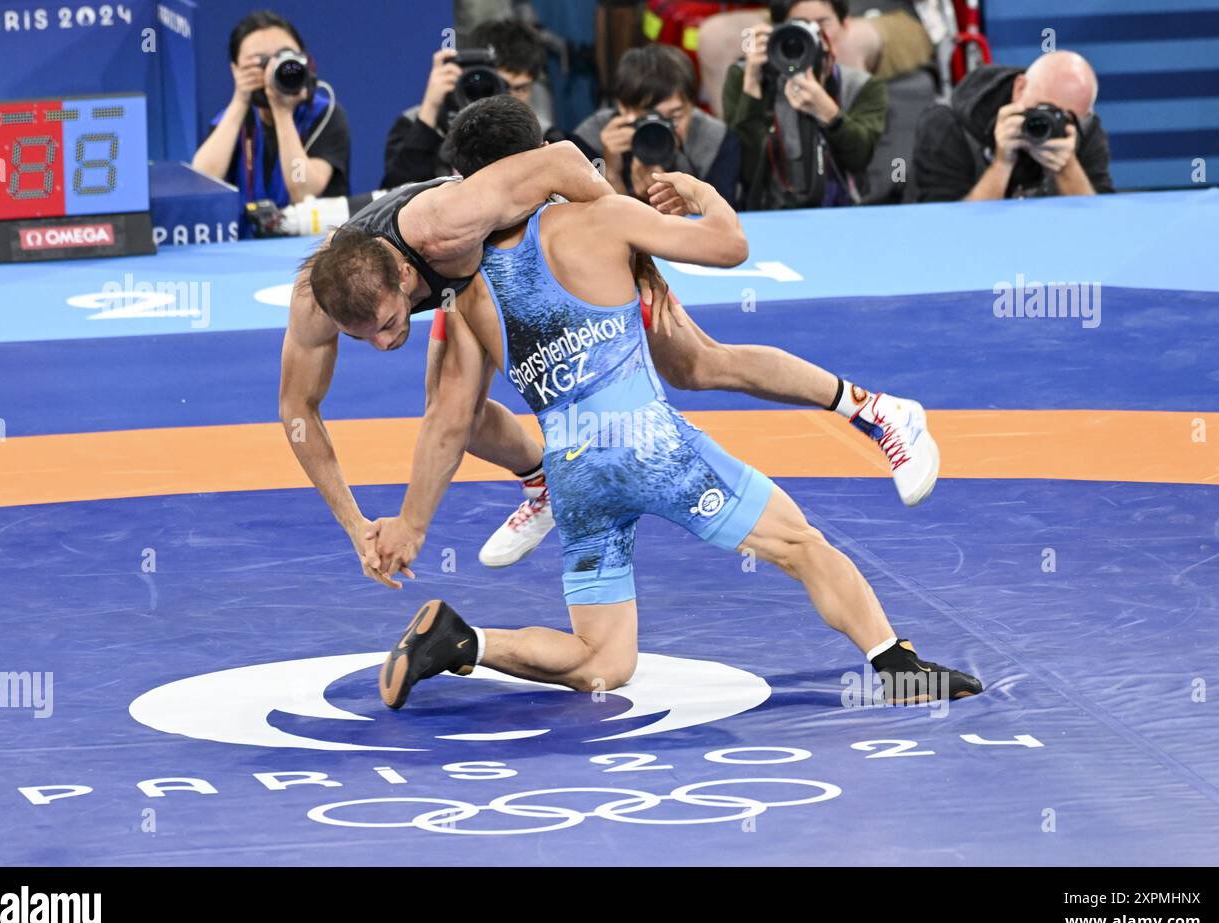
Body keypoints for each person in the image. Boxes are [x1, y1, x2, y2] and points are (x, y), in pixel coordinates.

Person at [366, 139, 980, 709]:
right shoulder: (601, 219)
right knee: (800, 546)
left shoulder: (463, 295)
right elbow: (730, 247)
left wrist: (413, 524)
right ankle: (898, 666)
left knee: (602, 661)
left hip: (575, 476)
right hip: (652, 450)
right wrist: (700, 195)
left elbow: (451, 423)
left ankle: (463, 641)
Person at [280, 138, 616, 579]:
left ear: (402, 274)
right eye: (361, 338)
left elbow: (563, 159)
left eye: (387, 324)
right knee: (462, 422)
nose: (383, 346)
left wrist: (634, 251)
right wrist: (355, 526)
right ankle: (548, 483)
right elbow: (296, 409)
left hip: (503, 244)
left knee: (451, 413)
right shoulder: (315, 301)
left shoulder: (447, 223)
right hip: (455, 281)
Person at [722, 0, 887, 209]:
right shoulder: (744, 75)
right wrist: (753, 86)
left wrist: (829, 114)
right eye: (799, 24)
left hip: (841, 211)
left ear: (845, 26)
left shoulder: (863, 86)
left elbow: (859, 160)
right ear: (777, 29)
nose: (812, 34)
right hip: (765, 211)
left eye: (822, 23)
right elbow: (742, 171)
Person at [192, 10, 350, 219]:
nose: (274, 68)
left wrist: (282, 112)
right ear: (236, 69)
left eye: (285, 56)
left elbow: (303, 193)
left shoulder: (325, 114)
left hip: (316, 243)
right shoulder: (228, 122)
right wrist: (240, 101)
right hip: (245, 246)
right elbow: (201, 184)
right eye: (261, 62)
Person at [909, 50, 1114, 202]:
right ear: (1019, 88)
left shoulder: (1082, 128)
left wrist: (1067, 167)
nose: (1049, 124)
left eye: (1064, 117)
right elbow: (947, 230)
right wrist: (1002, 164)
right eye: (1043, 109)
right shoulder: (946, 125)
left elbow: (1097, 224)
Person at [381, 18, 560, 189]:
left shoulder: (545, 136)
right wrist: (430, 109)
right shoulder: (415, 123)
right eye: (498, 85)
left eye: (520, 89)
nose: (508, 98)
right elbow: (395, 197)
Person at [572, 44, 742, 206]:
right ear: (622, 107)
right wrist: (612, 175)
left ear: (692, 107)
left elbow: (723, 222)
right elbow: (588, 224)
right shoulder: (590, 140)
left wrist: (678, 198)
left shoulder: (716, 142)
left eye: (675, 116)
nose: (661, 127)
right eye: (649, 116)